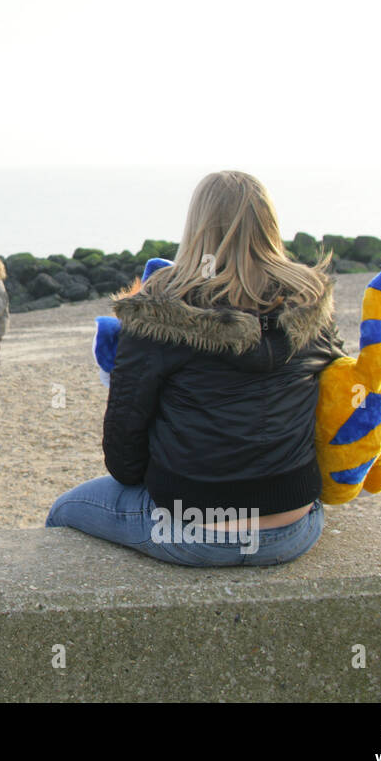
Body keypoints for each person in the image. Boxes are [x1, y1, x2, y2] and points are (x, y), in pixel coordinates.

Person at [45, 170, 347, 566]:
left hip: (191, 529)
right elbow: (338, 387)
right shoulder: (310, 301)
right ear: (269, 225)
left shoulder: (160, 306)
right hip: (293, 526)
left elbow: (123, 455)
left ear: (196, 225)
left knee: (64, 511)